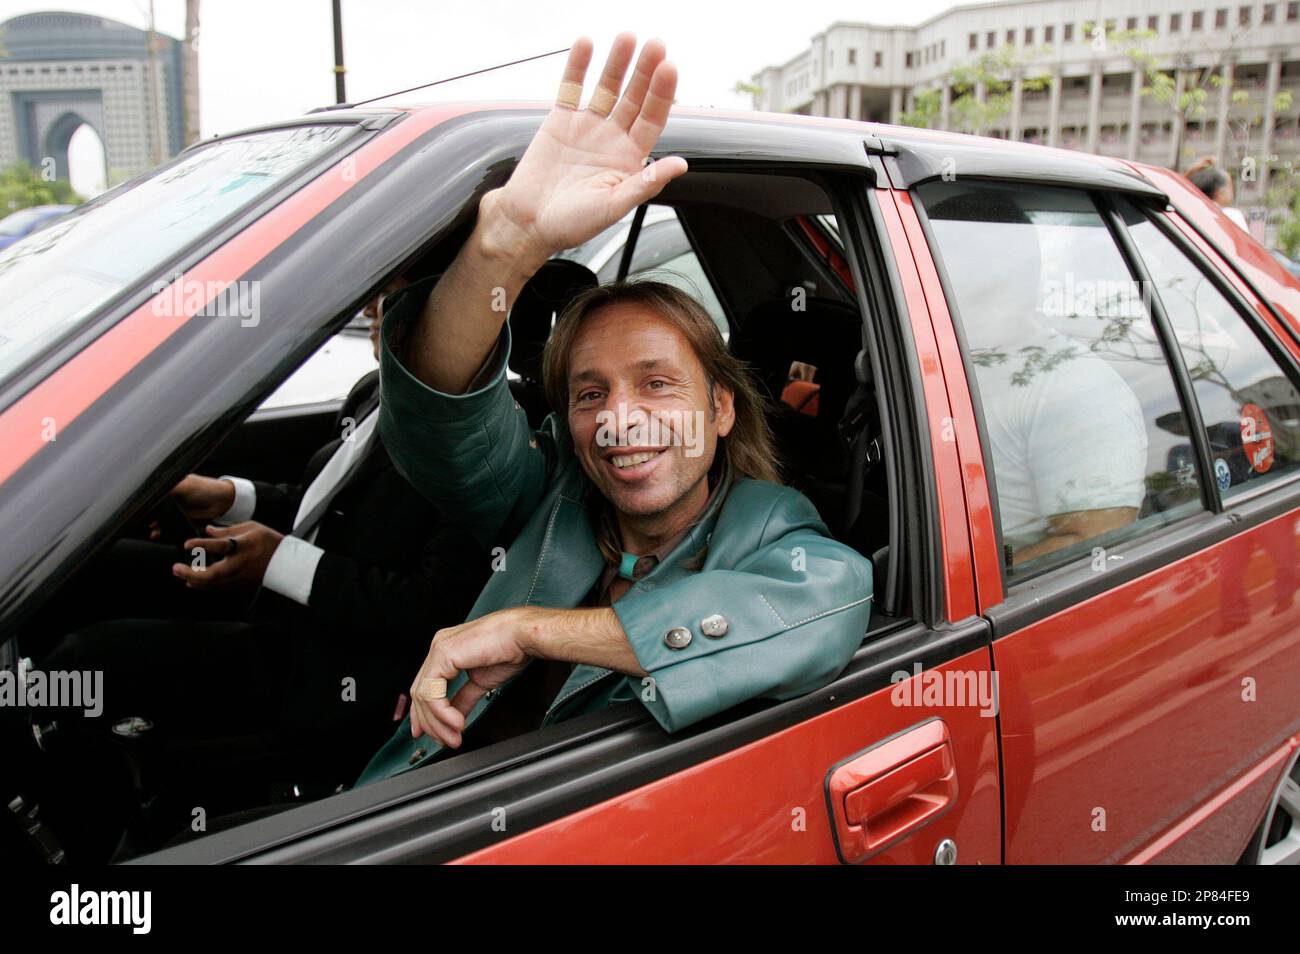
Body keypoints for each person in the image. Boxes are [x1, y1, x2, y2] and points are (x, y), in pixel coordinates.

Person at [355, 34, 874, 784]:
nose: (619, 419)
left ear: (721, 408)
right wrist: (506, 246)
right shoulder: (552, 491)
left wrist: (529, 630)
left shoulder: (770, 525)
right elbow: (445, 417)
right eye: (589, 394)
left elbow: (829, 599)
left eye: (658, 384)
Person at [39, 278, 490, 848]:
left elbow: (434, 607)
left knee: (88, 661)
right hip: (283, 601)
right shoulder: (376, 391)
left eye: (398, 292)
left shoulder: (476, 440)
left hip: (334, 663)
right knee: (96, 567)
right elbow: (328, 509)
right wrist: (229, 497)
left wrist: (278, 561)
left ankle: (75, 837)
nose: (372, 306)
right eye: (374, 290)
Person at [1184, 156, 1249, 230]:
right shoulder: (1231, 216)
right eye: (1230, 186)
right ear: (1220, 192)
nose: (1233, 190)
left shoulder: (1187, 213)